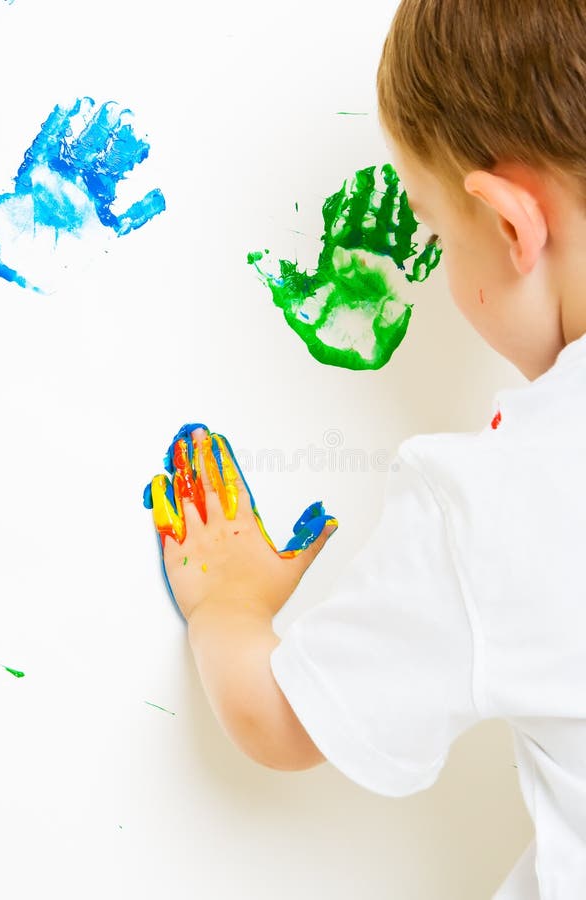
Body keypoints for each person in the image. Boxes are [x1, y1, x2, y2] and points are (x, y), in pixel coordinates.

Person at [154, 3, 586, 896]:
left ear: (511, 227)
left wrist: (228, 606)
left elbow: (280, 719)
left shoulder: (500, 503)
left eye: (431, 232)